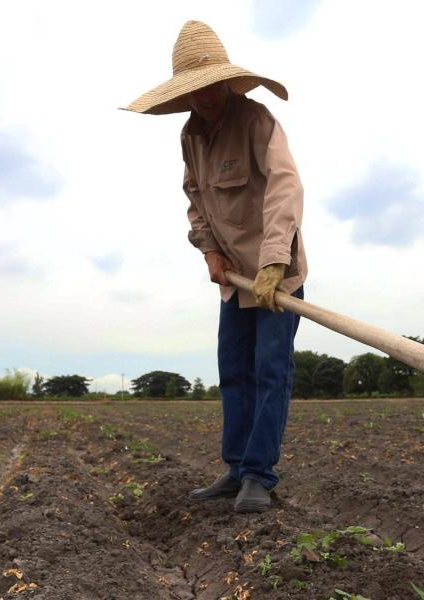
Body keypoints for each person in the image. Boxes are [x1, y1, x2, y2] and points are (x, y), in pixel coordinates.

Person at [124, 21, 308, 513]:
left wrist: (274, 261)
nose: (203, 97)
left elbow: (285, 187)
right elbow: (195, 199)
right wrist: (209, 251)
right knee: (234, 373)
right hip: (234, 281)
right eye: (193, 90)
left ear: (226, 81)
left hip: (275, 278)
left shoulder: (256, 121)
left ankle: (258, 476)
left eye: (209, 86)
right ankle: (235, 468)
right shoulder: (191, 135)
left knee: (270, 373)